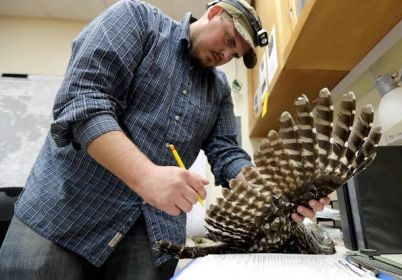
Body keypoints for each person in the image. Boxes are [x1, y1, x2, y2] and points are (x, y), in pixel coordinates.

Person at [0, 0, 330, 279]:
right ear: (213, 12)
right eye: (229, 40)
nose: (226, 54)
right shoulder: (136, 20)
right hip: (65, 212)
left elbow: (226, 152)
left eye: (235, 54)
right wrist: (145, 176)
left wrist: (270, 189)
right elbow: (83, 103)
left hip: (150, 235)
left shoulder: (218, 91)